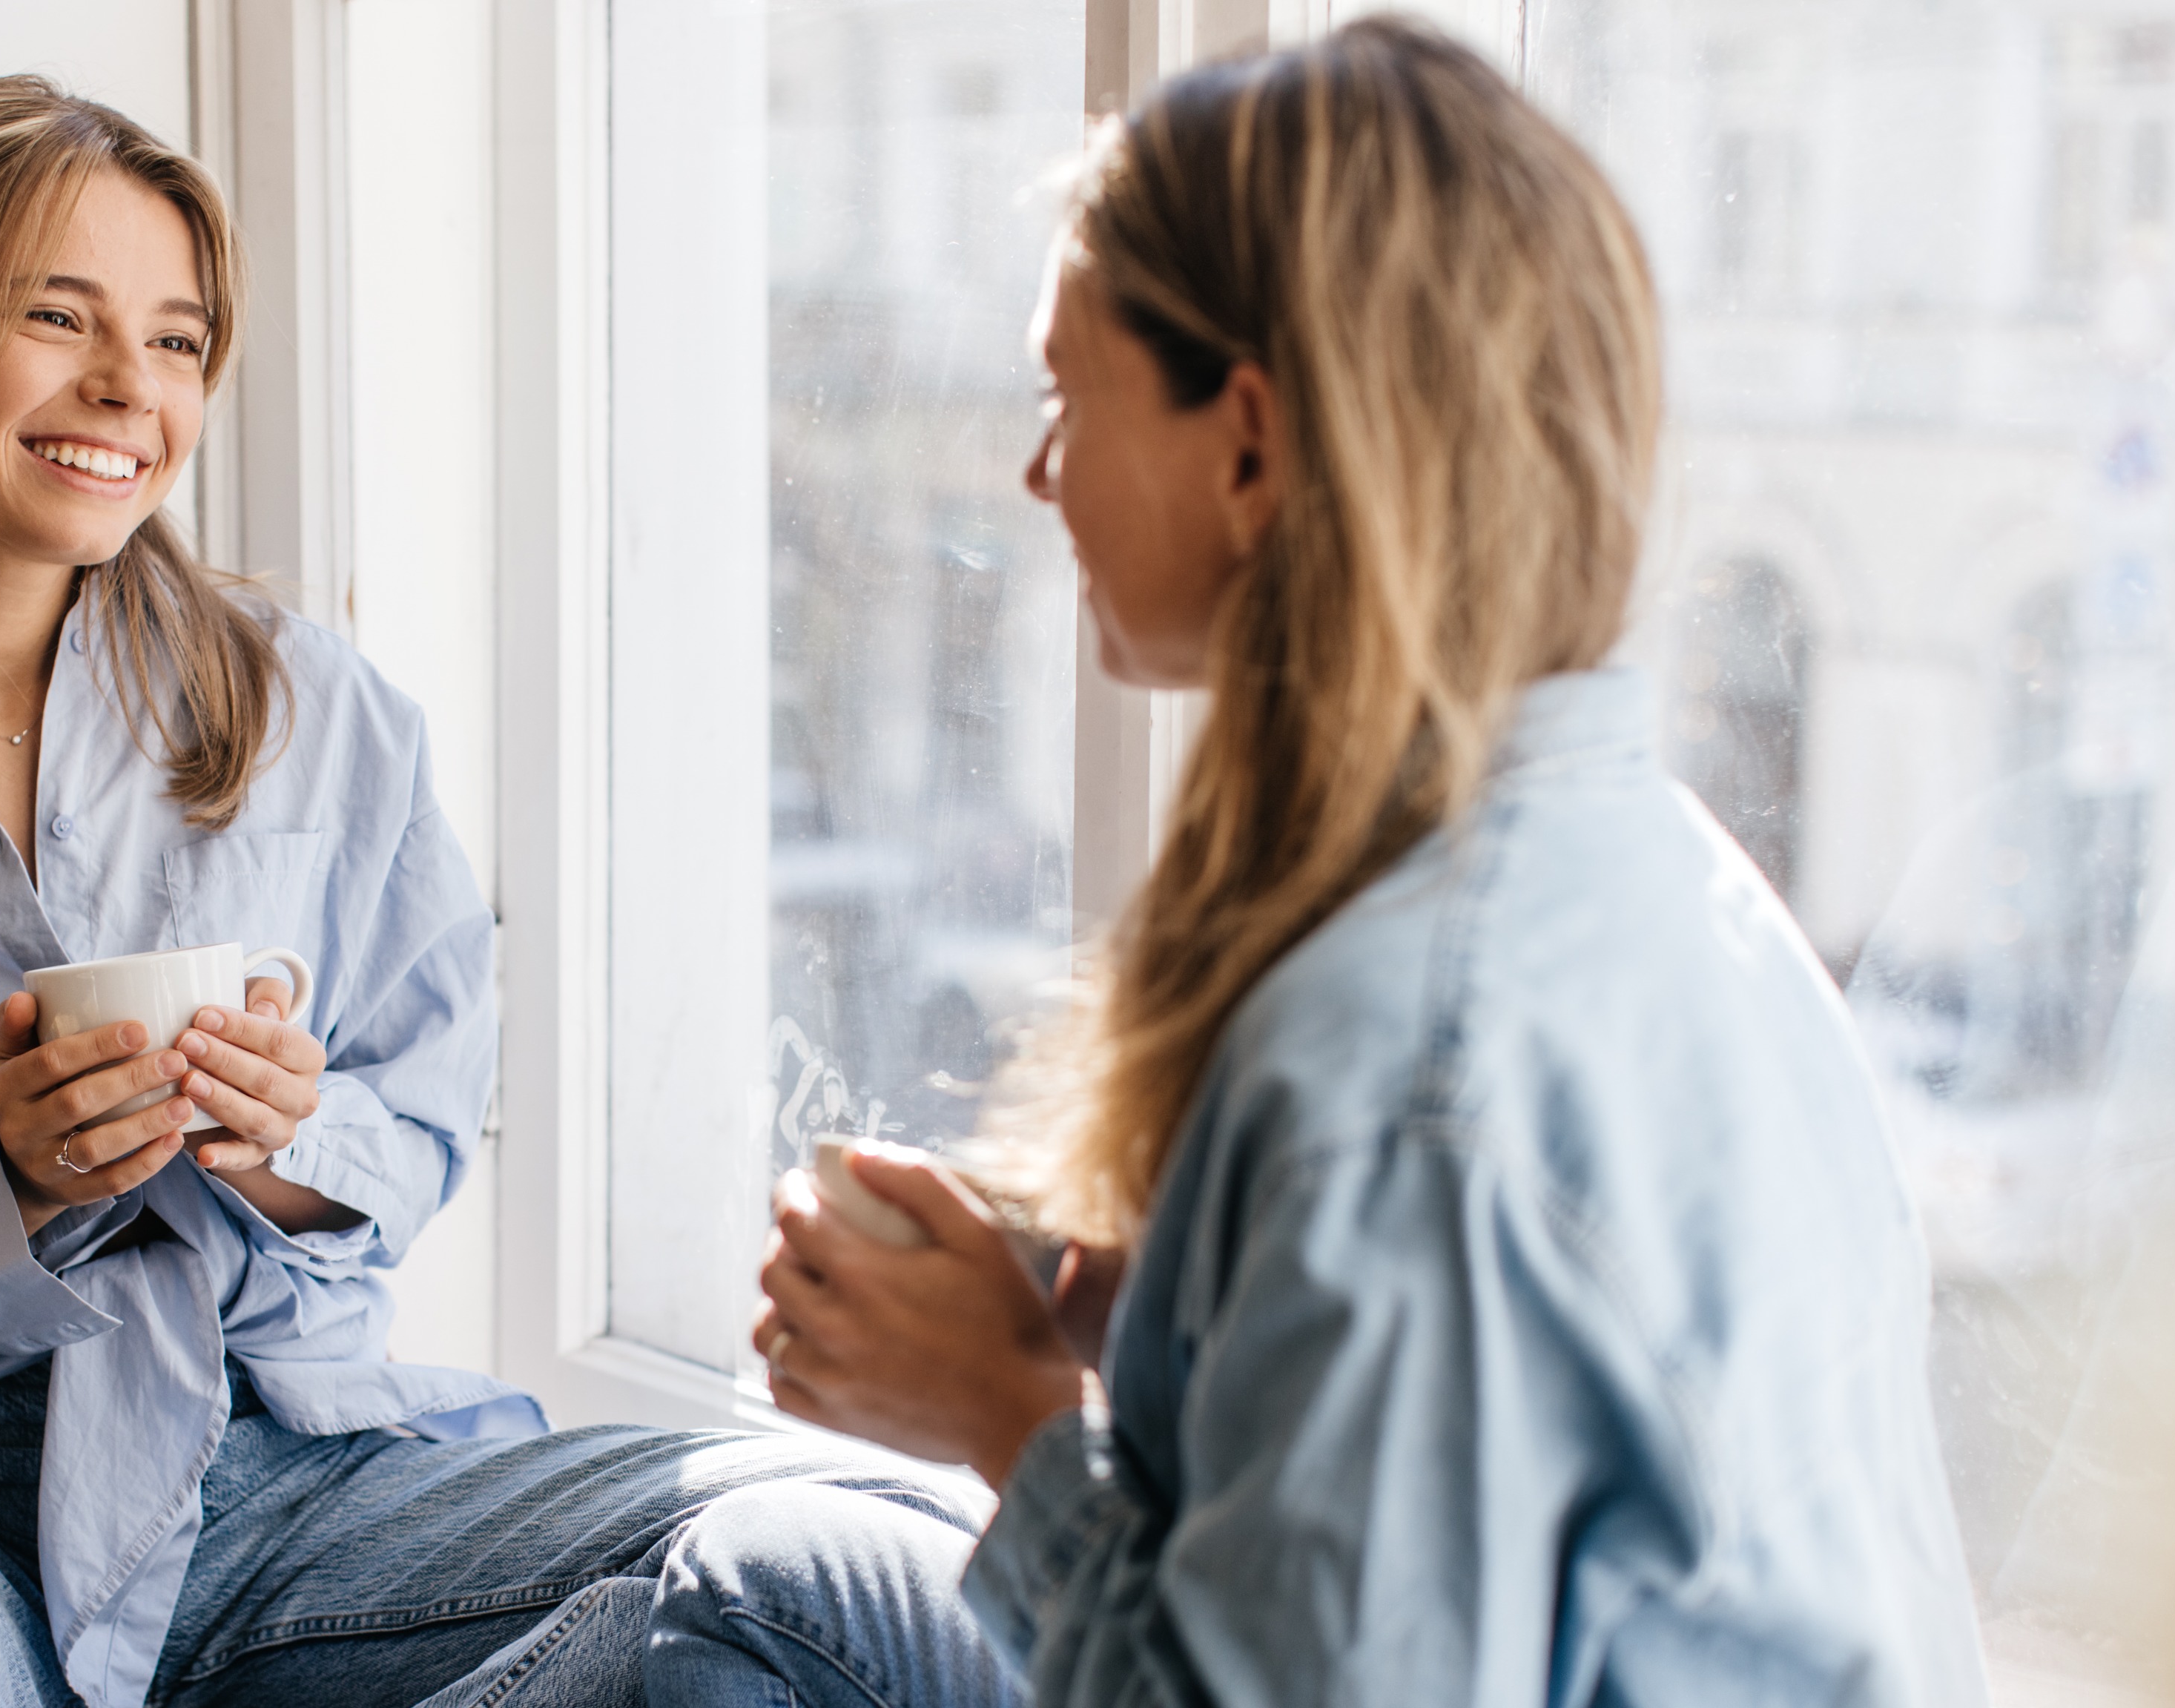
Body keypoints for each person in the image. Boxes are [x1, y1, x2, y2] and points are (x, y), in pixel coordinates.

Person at [0, 75, 1014, 1708]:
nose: (129, 386)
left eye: (176, 341)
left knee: (872, 1568)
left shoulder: (319, 713)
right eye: (59, 315)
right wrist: (6, 1183)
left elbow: (421, 1124)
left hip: (295, 1462)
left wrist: (278, 1146)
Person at [750, 21, 1987, 1707]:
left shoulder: (1399, 1068)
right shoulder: (1655, 883)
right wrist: (1168, 1321)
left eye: (1065, 396)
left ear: (1248, 450)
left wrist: (1003, 1412)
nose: (1036, 474)